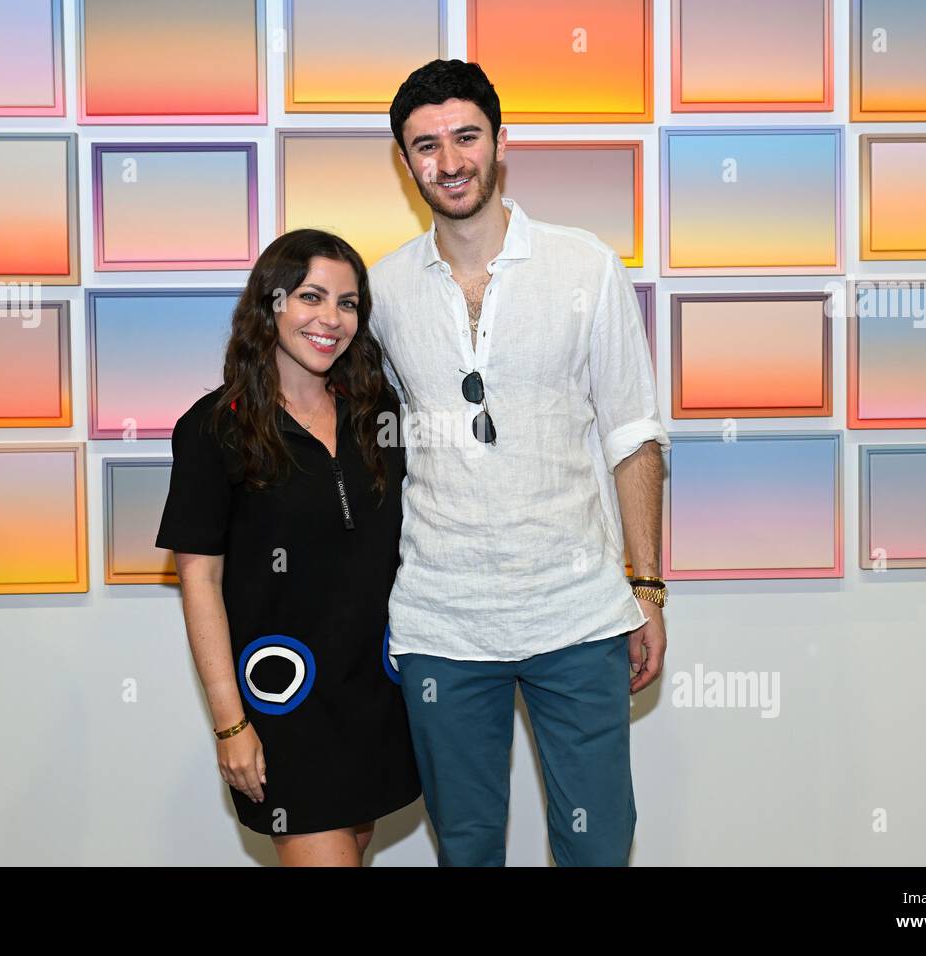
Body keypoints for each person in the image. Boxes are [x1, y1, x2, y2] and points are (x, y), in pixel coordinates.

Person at [368, 59, 671, 866]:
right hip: (441, 614)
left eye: (466, 136)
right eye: (426, 145)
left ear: (501, 142)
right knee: (467, 848)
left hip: (577, 608)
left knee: (599, 842)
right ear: (407, 163)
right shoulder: (383, 289)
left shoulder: (585, 266)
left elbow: (632, 432)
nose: (451, 160)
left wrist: (645, 586)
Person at [155, 229, 420, 866]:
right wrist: (230, 724)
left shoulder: (378, 413)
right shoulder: (214, 427)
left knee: (356, 846)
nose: (331, 319)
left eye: (349, 303)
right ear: (270, 304)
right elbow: (199, 583)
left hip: (377, 697)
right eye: (311, 297)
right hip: (284, 708)